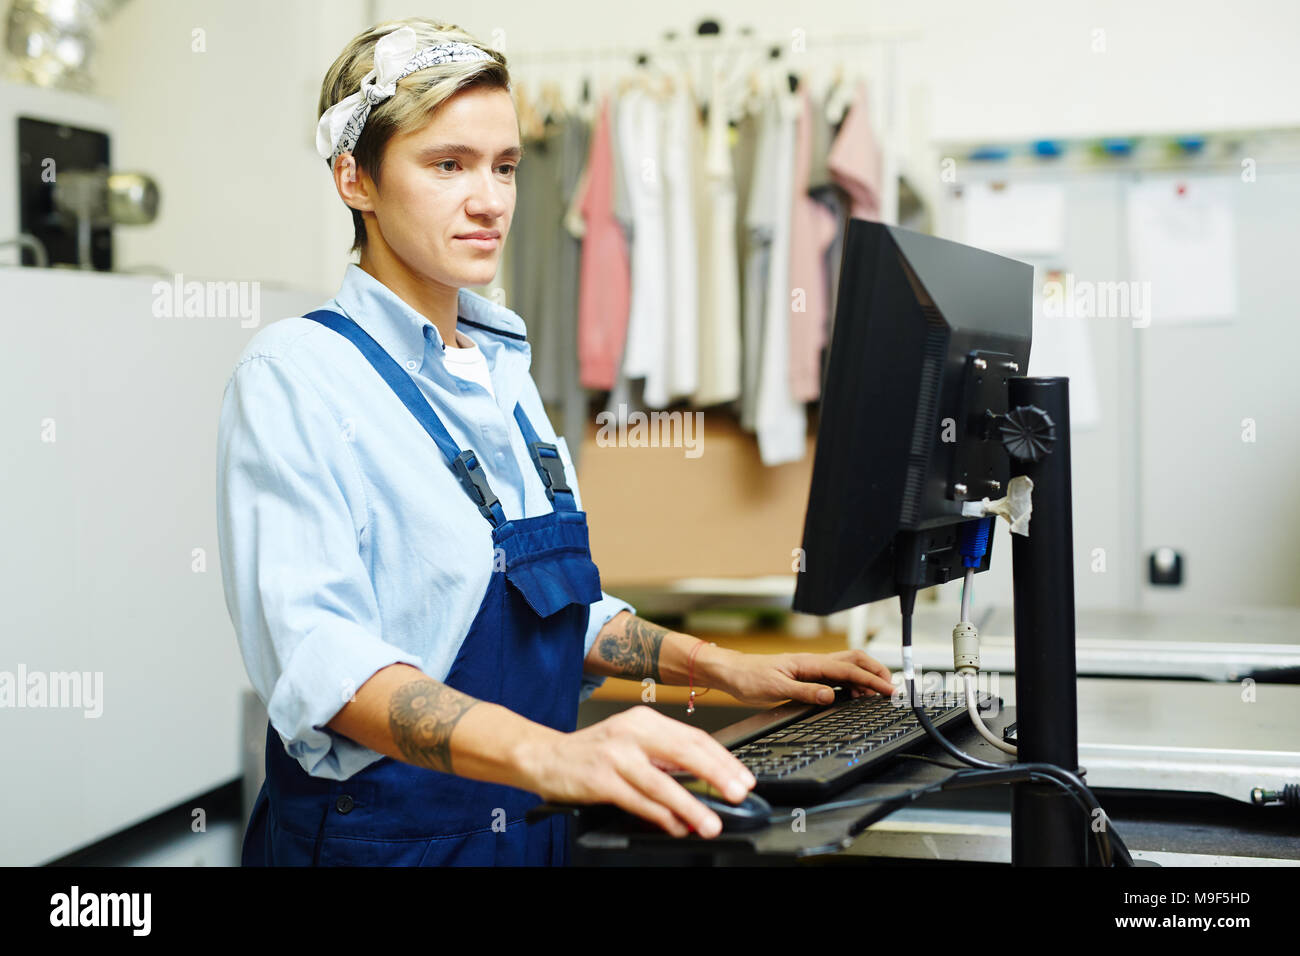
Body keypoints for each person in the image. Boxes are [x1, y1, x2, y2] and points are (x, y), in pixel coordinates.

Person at [216, 16, 896, 867]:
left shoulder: (499, 364)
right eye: (447, 165)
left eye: (505, 167)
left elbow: (554, 612)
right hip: (386, 845)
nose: (491, 200)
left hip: (531, 826)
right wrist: (549, 751)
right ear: (355, 178)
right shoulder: (295, 375)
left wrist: (725, 669)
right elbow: (323, 664)